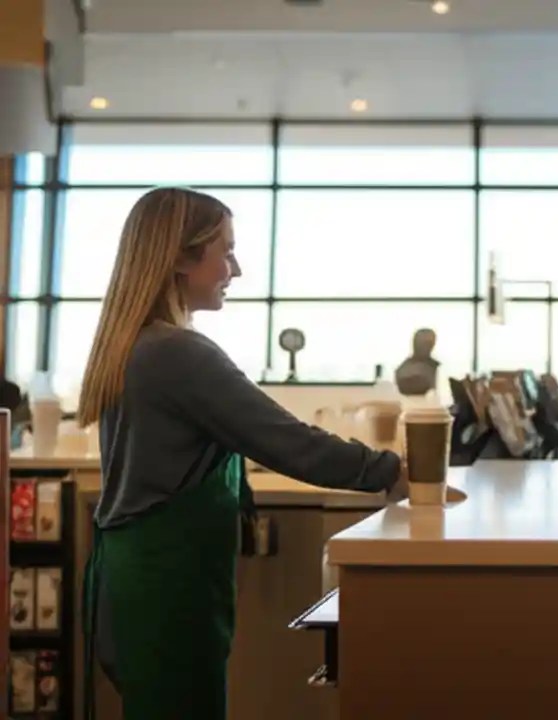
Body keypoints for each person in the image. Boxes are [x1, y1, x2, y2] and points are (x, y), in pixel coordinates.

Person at [75, 188, 409, 719]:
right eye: (225, 251)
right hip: (167, 585)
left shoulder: (140, 344)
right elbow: (286, 442)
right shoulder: (179, 353)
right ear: (181, 258)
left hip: (133, 575)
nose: (236, 268)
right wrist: (393, 472)